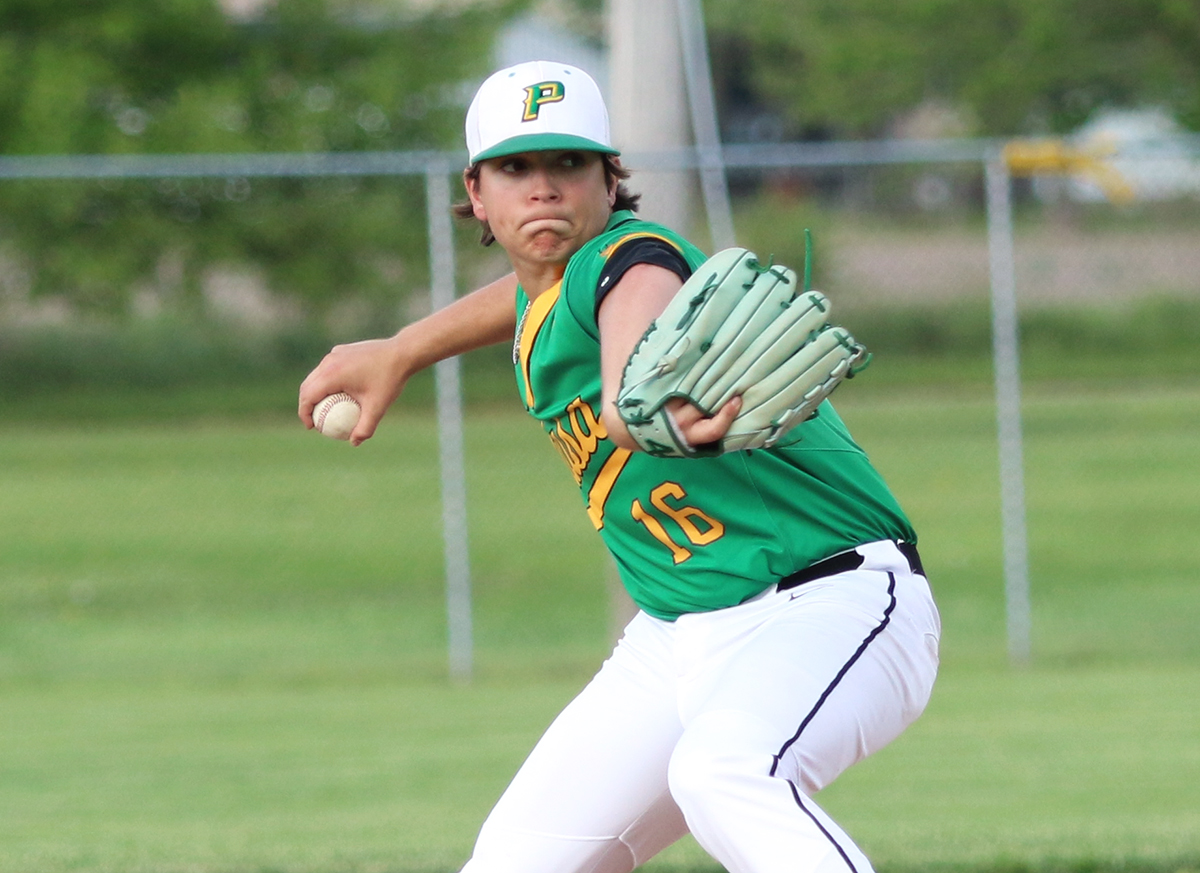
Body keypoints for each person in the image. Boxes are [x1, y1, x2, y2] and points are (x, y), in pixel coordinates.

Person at [299, 60, 940, 873]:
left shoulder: (635, 258)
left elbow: (632, 333)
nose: (544, 189)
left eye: (569, 164)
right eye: (516, 167)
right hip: (676, 637)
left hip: (829, 601)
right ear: (478, 191)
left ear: (609, 181)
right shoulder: (553, 293)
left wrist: (646, 404)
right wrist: (401, 348)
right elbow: (530, 298)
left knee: (727, 775)